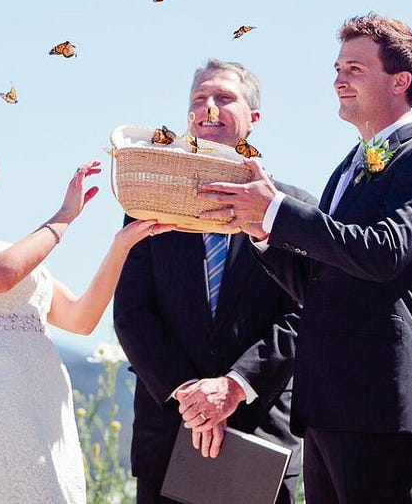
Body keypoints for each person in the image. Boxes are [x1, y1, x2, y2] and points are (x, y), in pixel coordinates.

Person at [200, 15, 412, 504]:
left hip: (378, 402)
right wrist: (260, 232)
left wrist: (277, 209)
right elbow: (319, 287)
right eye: (338, 67)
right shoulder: (348, 166)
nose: (339, 79)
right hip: (323, 406)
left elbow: (384, 252)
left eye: (356, 69)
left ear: (399, 81)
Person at [0, 114, 164, 504]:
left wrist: (121, 245)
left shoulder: (5, 245)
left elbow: (80, 317)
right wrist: (63, 218)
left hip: (49, 401)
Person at [113, 59, 316, 504]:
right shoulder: (147, 204)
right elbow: (131, 314)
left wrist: (232, 388)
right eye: (198, 99)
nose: (209, 107)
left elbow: (307, 315)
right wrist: (192, 397)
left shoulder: (294, 209)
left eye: (224, 98)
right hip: (168, 436)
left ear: (252, 120)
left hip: (260, 439)